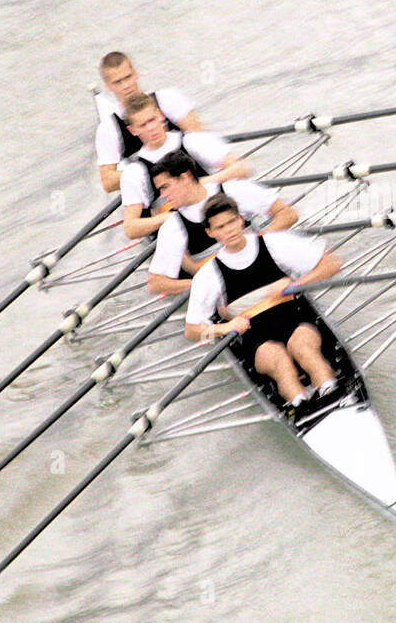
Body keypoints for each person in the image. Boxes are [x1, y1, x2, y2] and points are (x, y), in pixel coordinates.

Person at [184, 194, 343, 420]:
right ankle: (300, 406)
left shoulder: (274, 242)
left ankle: (330, 390)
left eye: (232, 222)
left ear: (241, 220)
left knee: (302, 348)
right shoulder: (208, 275)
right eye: (220, 227)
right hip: (255, 336)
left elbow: (331, 264)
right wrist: (225, 328)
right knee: (280, 360)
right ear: (211, 233)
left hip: (294, 319)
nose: (229, 230)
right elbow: (192, 330)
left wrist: (296, 284)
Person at [147, 150, 297, 295]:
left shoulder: (233, 190)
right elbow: (156, 283)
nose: (163, 196)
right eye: (160, 190)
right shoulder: (173, 227)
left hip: (270, 281)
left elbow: (288, 214)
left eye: (165, 187)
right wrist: (206, 282)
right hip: (232, 299)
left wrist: (257, 246)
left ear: (186, 177)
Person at [119, 93, 251, 240]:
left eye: (152, 120)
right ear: (133, 130)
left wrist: (204, 182)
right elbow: (131, 228)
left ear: (160, 115)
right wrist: (172, 219)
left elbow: (241, 169)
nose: (151, 128)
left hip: (225, 224)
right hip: (189, 242)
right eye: (143, 125)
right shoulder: (135, 172)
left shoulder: (192, 141)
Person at [95, 50, 206, 192]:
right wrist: (151, 169)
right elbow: (108, 183)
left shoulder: (168, 98)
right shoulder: (108, 129)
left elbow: (201, 138)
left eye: (128, 77)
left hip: (198, 182)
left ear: (135, 73)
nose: (125, 86)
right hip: (161, 201)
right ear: (108, 87)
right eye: (118, 82)